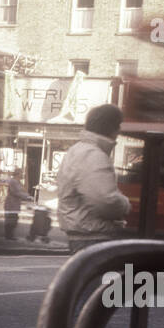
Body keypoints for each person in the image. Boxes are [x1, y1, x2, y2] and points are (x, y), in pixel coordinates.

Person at [56, 104, 132, 253]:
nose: (118, 133)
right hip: (93, 236)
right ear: (112, 128)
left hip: (84, 234)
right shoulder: (92, 155)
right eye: (118, 127)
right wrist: (126, 205)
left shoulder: (78, 150)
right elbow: (105, 201)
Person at [2, 171, 31, 240]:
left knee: (14, 219)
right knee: (11, 219)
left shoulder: (18, 182)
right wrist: (27, 197)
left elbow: (22, 191)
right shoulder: (13, 181)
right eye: (21, 173)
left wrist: (27, 196)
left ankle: (9, 235)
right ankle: (8, 235)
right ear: (17, 174)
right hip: (11, 203)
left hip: (15, 203)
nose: (22, 175)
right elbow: (16, 192)